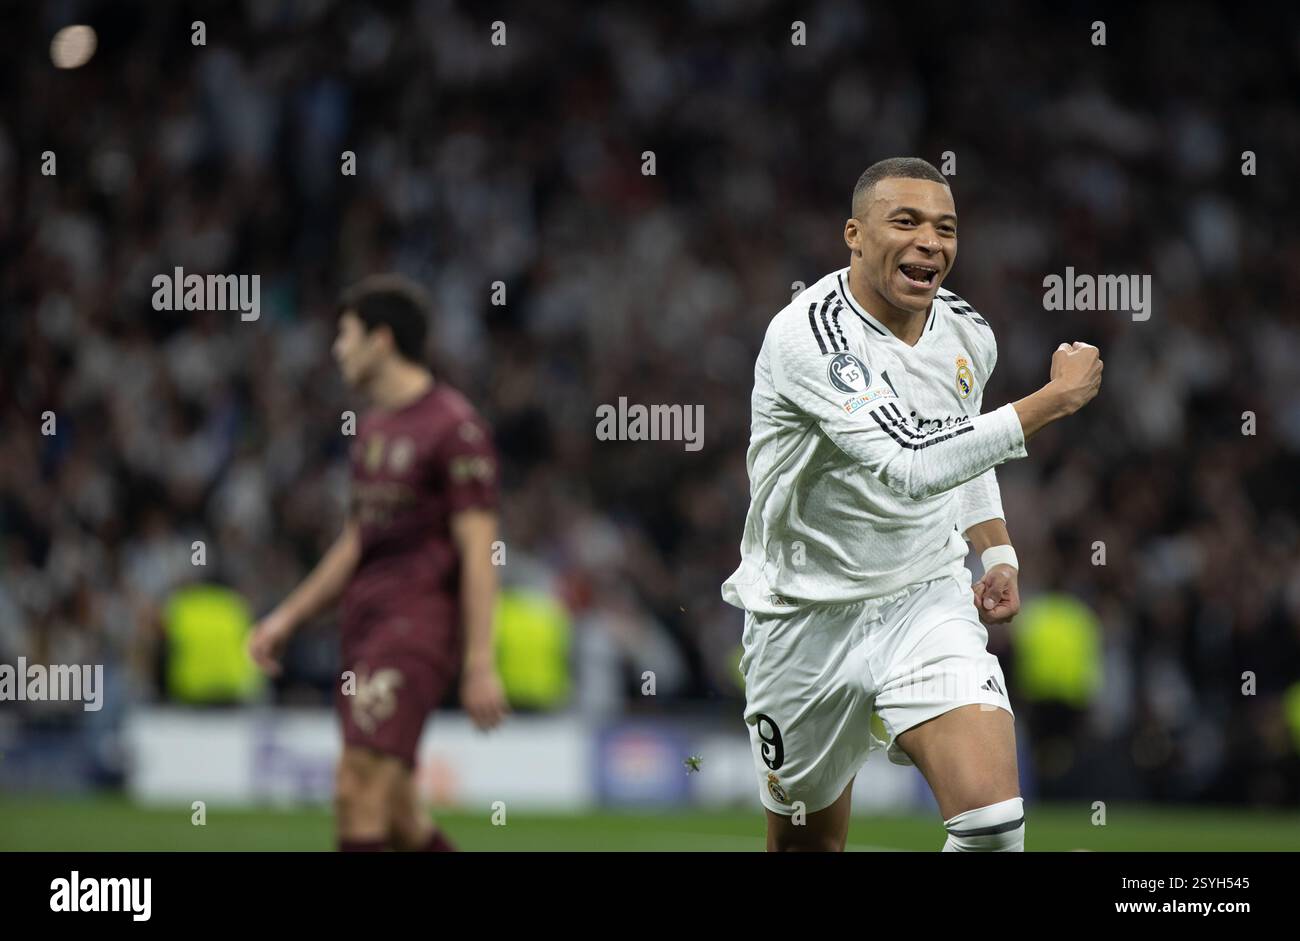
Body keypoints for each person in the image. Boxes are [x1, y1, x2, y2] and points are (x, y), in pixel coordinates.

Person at [722, 157, 1103, 851]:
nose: (931, 241)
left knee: (991, 827)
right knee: (807, 845)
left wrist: (999, 550)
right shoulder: (810, 336)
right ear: (854, 235)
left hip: (923, 597)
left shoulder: (967, 333)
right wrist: (1054, 400)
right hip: (804, 617)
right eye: (906, 221)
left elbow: (962, 448)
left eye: (945, 227)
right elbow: (911, 460)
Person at [249, 274, 507, 852]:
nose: (337, 349)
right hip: (363, 627)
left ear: (381, 340)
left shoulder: (454, 428)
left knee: (355, 786)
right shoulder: (369, 430)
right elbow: (355, 542)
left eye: (345, 334)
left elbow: (480, 548)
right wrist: (286, 618)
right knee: (396, 813)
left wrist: (480, 660)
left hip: (415, 627)